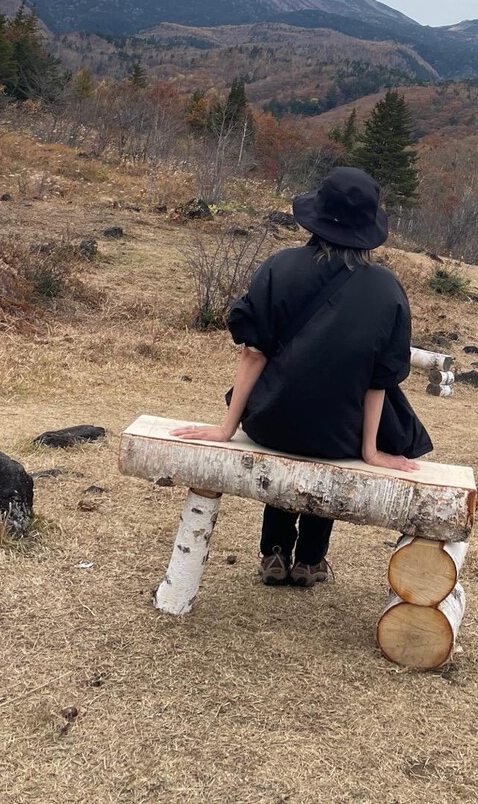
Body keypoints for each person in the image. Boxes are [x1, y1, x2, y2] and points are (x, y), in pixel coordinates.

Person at [172, 167, 433, 588]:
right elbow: (380, 380)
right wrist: (370, 450)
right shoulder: (387, 289)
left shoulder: (280, 267)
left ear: (316, 216)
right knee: (327, 426)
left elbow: (253, 353)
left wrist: (227, 427)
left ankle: (274, 551)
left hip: (270, 424)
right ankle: (311, 559)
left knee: (288, 407)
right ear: (369, 227)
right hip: (340, 436)